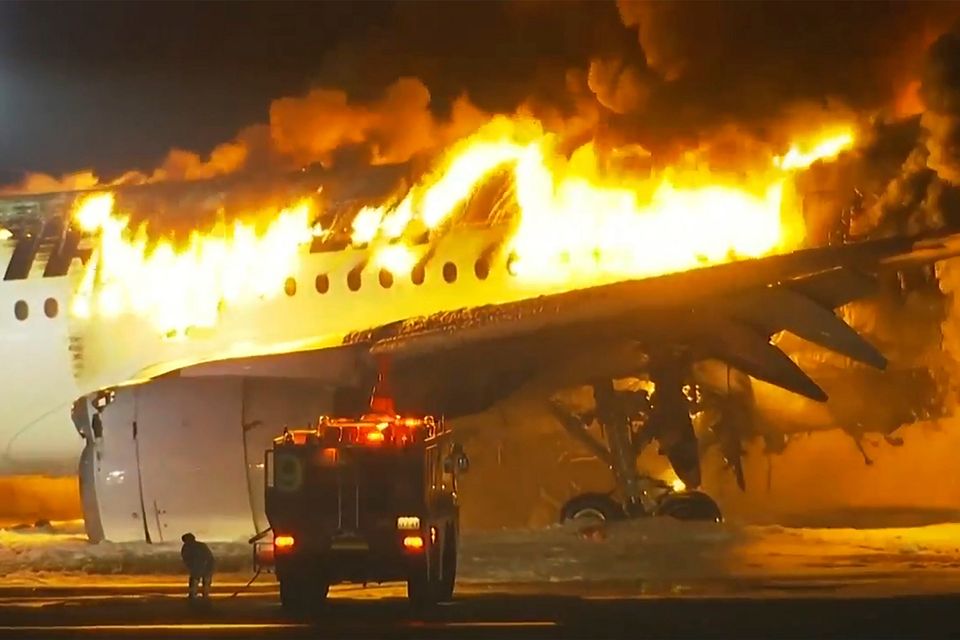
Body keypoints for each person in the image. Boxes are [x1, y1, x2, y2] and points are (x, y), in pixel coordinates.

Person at [180, 532, 215, 603]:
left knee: (196, 580)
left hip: (199, 566)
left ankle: (195, 595)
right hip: (203, 565)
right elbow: (210, 556)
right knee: (204, 581)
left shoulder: (186, 547)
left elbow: (186, 559)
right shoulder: (200, 545)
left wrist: (190, 566)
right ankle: (203, 595)